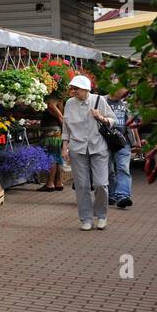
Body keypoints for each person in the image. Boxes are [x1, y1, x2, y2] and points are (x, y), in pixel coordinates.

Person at [61, 75, 115, 230]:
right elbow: (66, 127)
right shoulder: (69, 104)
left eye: (76, 89)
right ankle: (86, 219)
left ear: (86, 89)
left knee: (100, 184)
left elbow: (113, 120)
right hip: (77, 149)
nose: (73, 91)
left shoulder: (99, 100)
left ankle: (102, 215)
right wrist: (64, 147)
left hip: (98, 147)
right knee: (82, 185)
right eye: (72, 88)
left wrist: (101, 117)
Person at [106, 88, 135, 209]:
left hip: (123, 141)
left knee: (123, 168)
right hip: (105, 141)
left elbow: (133, 124)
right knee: (108, 170)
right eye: (124, 90)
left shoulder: (127, 104)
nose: (125, 93)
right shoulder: (101, 100)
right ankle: (111, 195)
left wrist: (136, 142)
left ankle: (123, 196)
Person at [38, 97, 66, 191]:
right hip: (57, 132)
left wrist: (53, 108)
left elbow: (61, 118)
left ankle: (50, 183)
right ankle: (58, 182)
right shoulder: (60, 101)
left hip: (51, 133)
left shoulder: (51, 102)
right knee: (58, 157)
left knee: (52, 157)